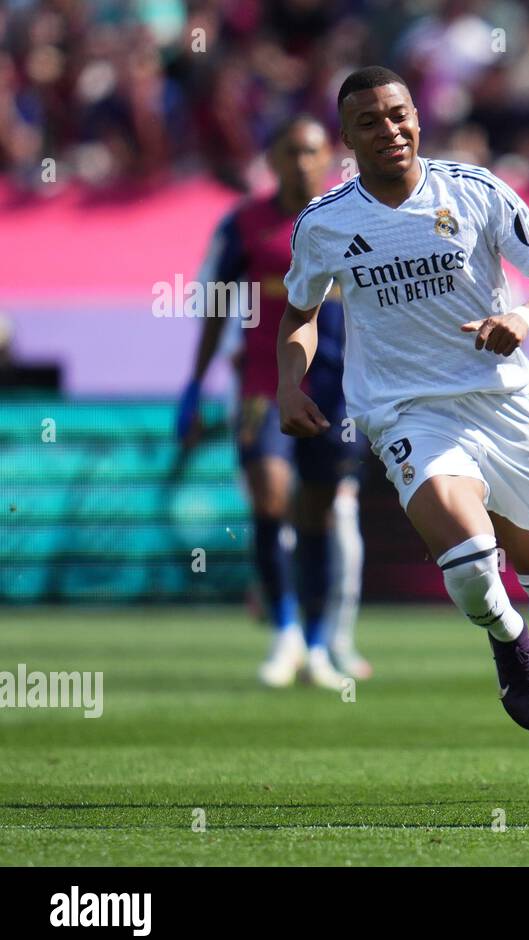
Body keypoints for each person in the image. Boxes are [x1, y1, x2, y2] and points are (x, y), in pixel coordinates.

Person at [276, 67, 529, 801]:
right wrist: (291, 382)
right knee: (471, 566)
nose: (388, 130)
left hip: (503, 406)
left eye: (398, 116)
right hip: (406, 412)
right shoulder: (324, 223)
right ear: (348, 139)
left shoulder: (475, 191)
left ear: (417, 117)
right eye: (369, 122)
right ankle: (509, 641)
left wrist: (521, 318)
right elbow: (298, 314)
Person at [178, 115, 370, 690]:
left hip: (339, 389)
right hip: (265, 381)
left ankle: (316, 643)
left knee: (319, 510)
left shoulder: (354, 217)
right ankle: (284, 630)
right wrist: (194, 385)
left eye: (313, 151)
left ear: (328, 158)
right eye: (292, 151)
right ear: (274, 158)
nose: (304, 161)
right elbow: (214, 302)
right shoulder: (244, 223)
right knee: (269, 491)